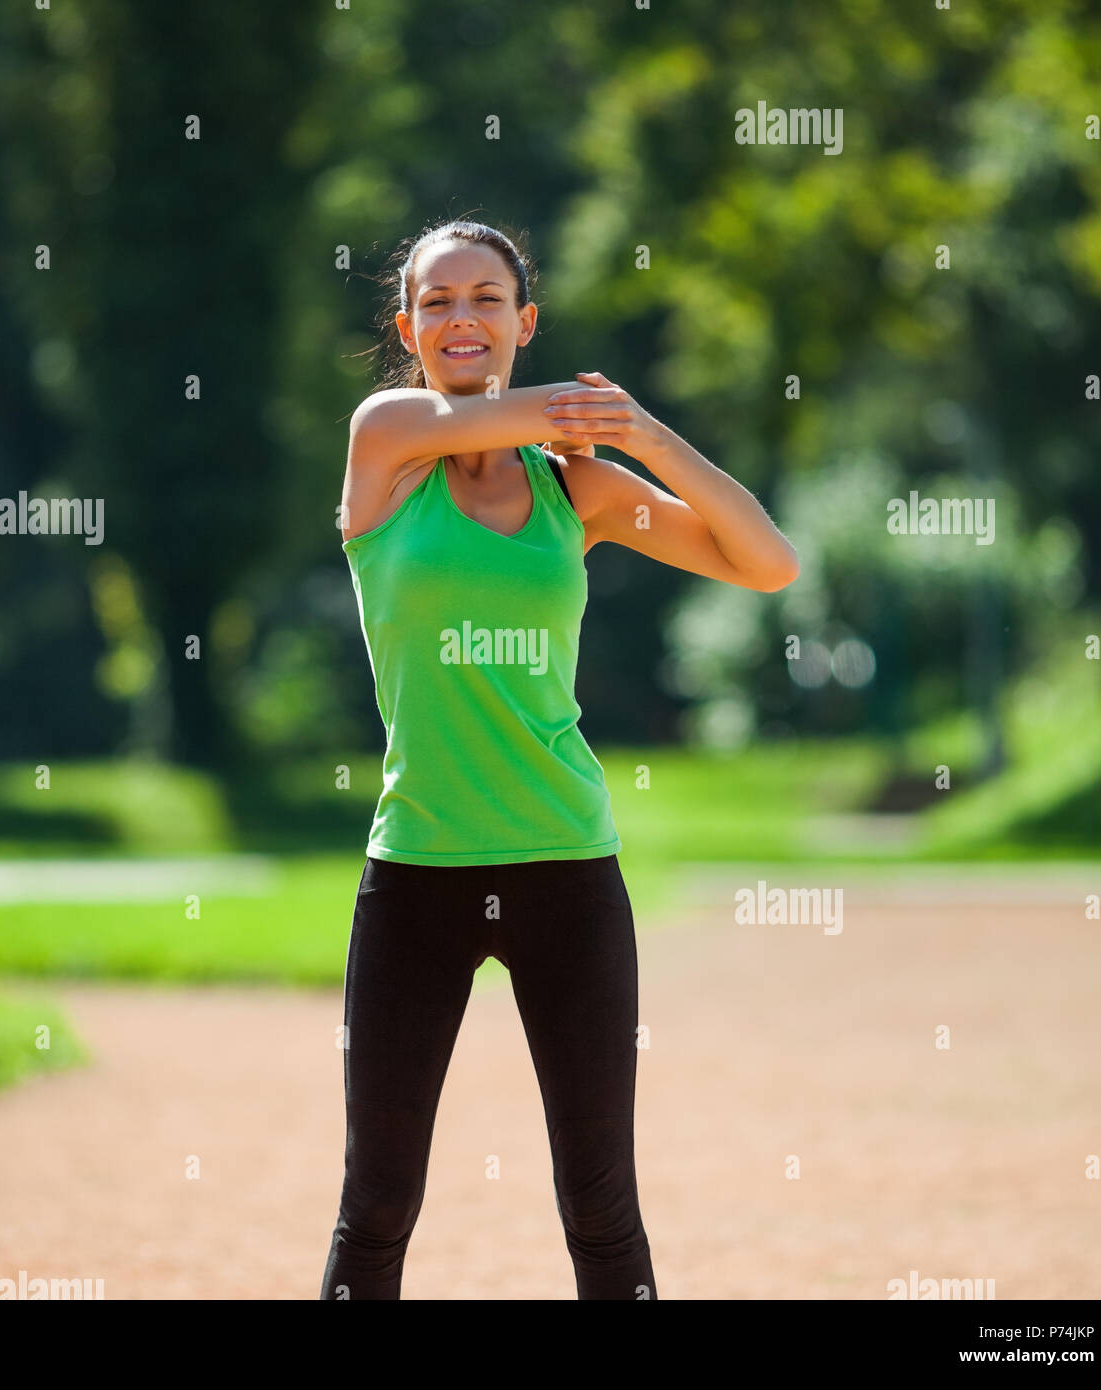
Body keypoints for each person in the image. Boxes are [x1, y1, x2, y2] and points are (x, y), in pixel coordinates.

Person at [321, 217, 798, 1300]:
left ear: (522, 321)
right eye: (435, 302)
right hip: (417, 873)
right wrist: (585, 411)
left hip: (566, 866)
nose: (460, 319)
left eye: (485, 298)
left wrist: (648, 439)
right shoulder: (385, 445)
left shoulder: (571, 490)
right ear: (407, 326)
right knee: (378, 1201)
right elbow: (511, 412)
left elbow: (767, 563)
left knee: (599, 1202)